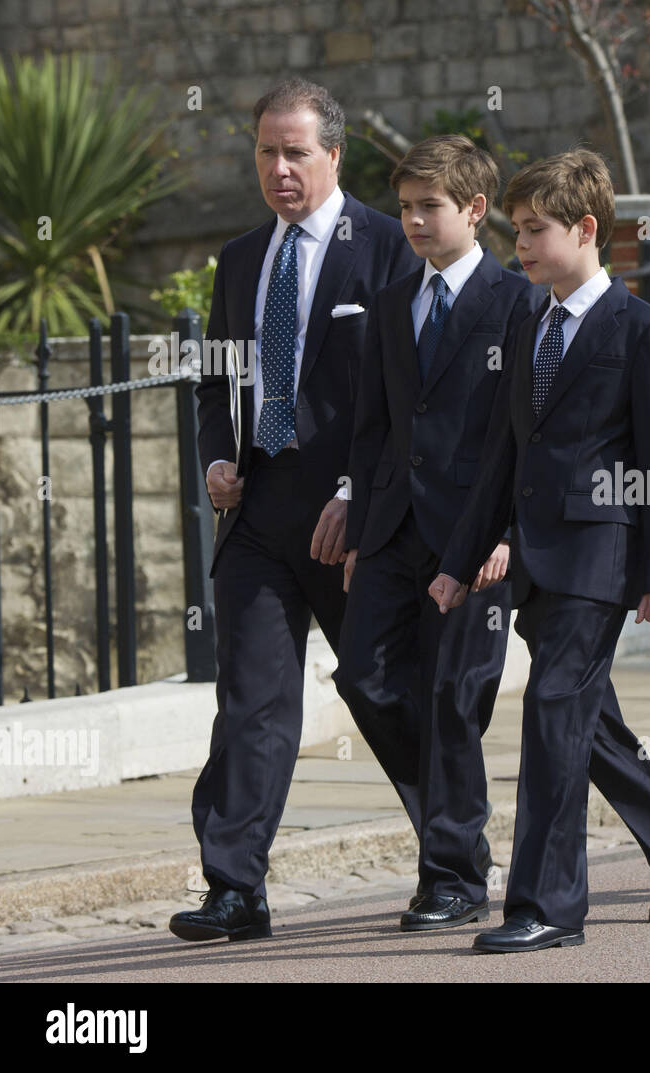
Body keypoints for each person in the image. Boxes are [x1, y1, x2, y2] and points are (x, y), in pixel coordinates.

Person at [428, 149, 650, 953]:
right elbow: (501, 454)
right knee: (585, 717)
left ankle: (548, 903)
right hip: (532, 559)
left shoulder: (641, 328)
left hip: (600, 554)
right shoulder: (526, 321)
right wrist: (458, 558)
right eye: (515, 229)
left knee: (551, 709)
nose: (520, 244)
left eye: (534, 229)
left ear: (586, 229)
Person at [171, 79, 418, 943]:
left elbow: (405, 395)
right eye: (267, 152)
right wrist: (216, 458)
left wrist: (357, 494)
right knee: (250, 702)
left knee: (383, 689)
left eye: (296, 153)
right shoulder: (242, 259)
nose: (279, 169)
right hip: (261, 514)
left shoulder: (386, 247)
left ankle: (453, 858)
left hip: (356, 514)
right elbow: (217, 381)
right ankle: (236, 885)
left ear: (334, 155)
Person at [331, 135, 544, 932]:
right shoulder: (391, 304)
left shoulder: (519, 301)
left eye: (430, 207)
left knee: (456, 699)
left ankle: (451, 873)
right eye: (405, 207)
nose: (413, 221)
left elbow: (532, 432)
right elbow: (374, 423)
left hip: (476, 538)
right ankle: (455, 832)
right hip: (390, 529)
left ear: (476, 210)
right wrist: (356, 518)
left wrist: (510, 532)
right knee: (364, 679)